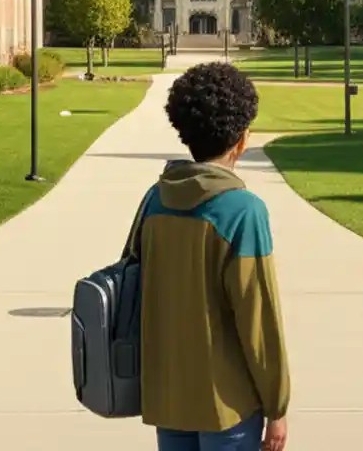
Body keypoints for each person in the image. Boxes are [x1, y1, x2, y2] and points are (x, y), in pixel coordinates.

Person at [131, 62, 290, 451]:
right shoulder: (242, 211)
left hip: (168, 396)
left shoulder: (156, 199)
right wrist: (278, 404)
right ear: (240, 139)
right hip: (227, 405)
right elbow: (259, 318)